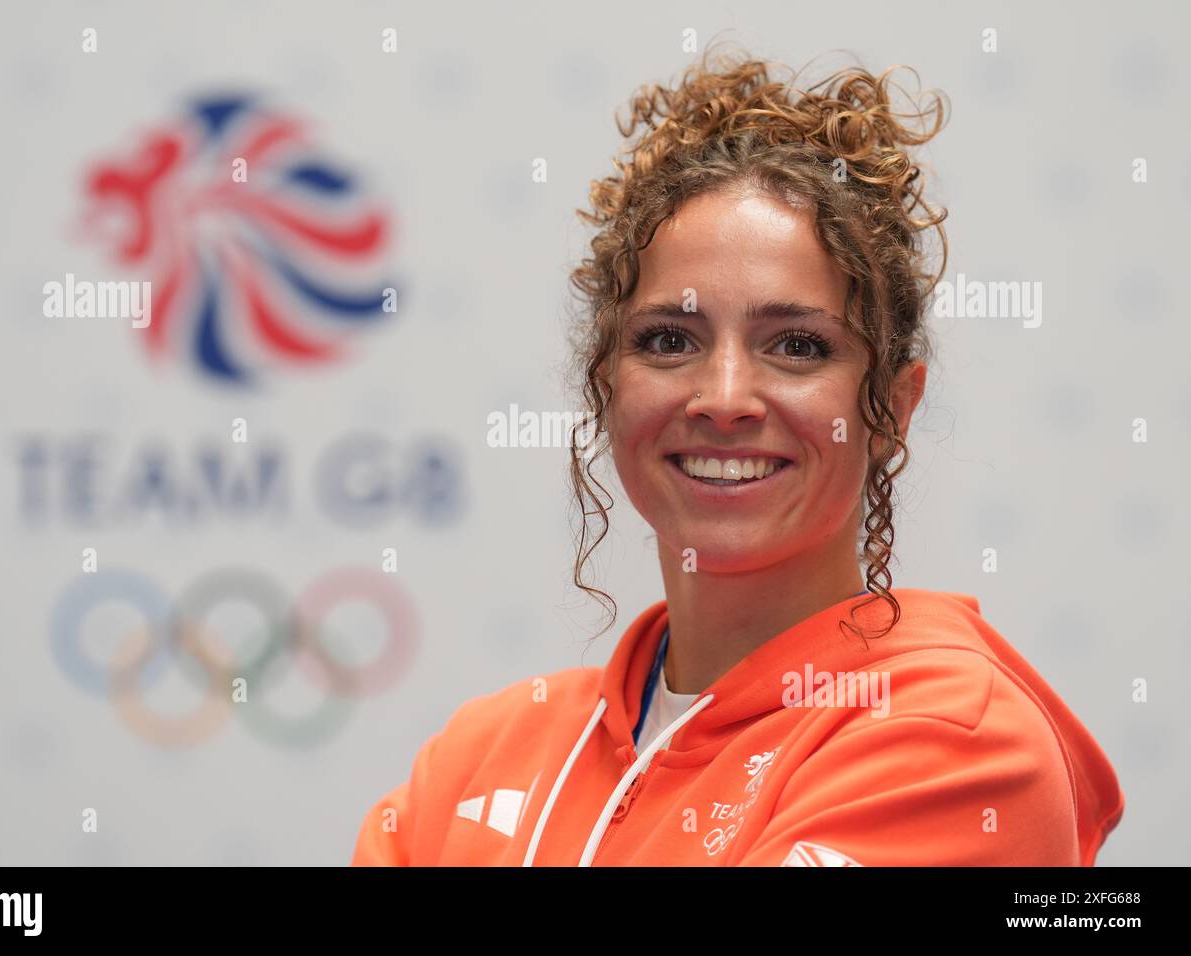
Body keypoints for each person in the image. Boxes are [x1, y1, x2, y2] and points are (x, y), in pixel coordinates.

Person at [350, 45, 1124, 866]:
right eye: (669, 340)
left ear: (893, 409)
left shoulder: (957, 744)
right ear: (607, 385)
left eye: (795, 344)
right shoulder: (475, 764)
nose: (723, 397)